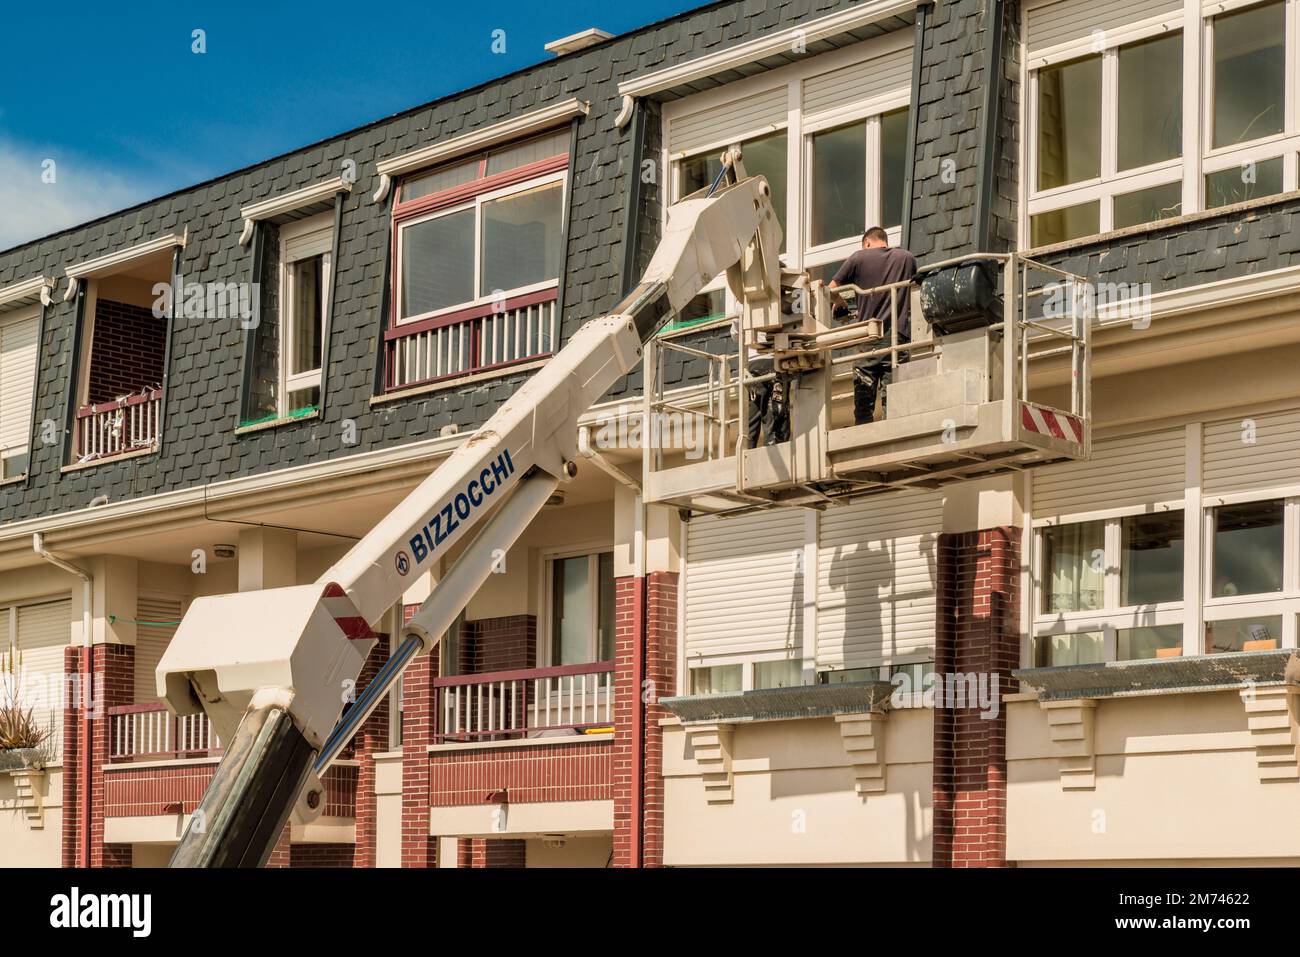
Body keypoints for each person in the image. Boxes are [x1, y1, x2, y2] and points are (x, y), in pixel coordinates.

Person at [828, 227, 918, 425]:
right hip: (898, 337)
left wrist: (840, 303)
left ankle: (863, 434)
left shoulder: (859, 258)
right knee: (895, 400)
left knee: (863, 403)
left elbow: (830, 289)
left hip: (868, 339)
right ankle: (894, 433)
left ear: (867, 242)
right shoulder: (907, 258)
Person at [730, 317, 789, 448]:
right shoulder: (777, 298)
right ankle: (777, 457)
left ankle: (746, 459)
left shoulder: (741, 300)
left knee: (749, 428)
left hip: (749, 367)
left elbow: (735, 332)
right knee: (775, 421)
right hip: (773, 361)